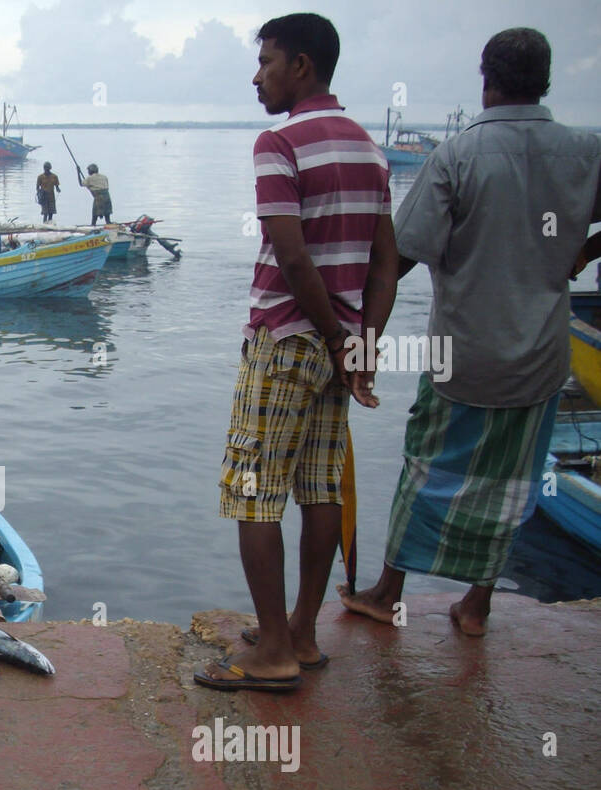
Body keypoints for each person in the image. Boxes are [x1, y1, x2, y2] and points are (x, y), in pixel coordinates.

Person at [340, 27, 601, 637]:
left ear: (486, 80)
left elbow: (396, 260)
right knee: (513, 479)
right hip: (541, 355)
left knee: (427, 468)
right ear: (547, 81)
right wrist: (584, 252)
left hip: (463, 355)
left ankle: (386, 593)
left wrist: (362, 341)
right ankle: (476, 605)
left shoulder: (457, 157)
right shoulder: (585, 151)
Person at [195, 13, 397, 692]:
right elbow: (386, 267)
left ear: (301, 66)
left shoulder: (279, 141)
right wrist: (358, 346)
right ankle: (303, 633)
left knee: (253, 492)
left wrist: (336, 339)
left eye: (268, 62)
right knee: (316, 488)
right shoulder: (369, 148)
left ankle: (273, 649)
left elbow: (290, 252)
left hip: (285, 339)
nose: (258, 77)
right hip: (336, 352)